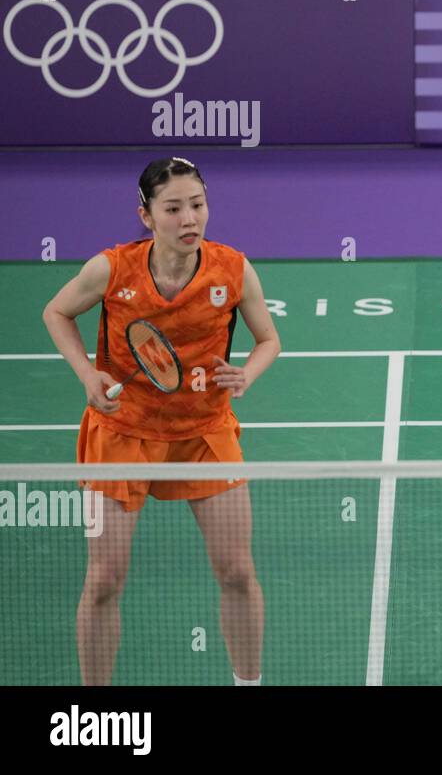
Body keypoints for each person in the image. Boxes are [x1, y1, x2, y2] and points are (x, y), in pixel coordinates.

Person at [41, 157, 282, 684]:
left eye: (197, 205)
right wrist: (87, 374)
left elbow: (269, 340)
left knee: (237, 571)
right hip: (121, 432)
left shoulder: (233, 269)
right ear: (146, 216)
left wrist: (246, 376)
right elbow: (55, 311)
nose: (189, 218)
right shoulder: (112, 268)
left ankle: (249, 683)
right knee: (104, 579)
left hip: (203, 433)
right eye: (173, 208)